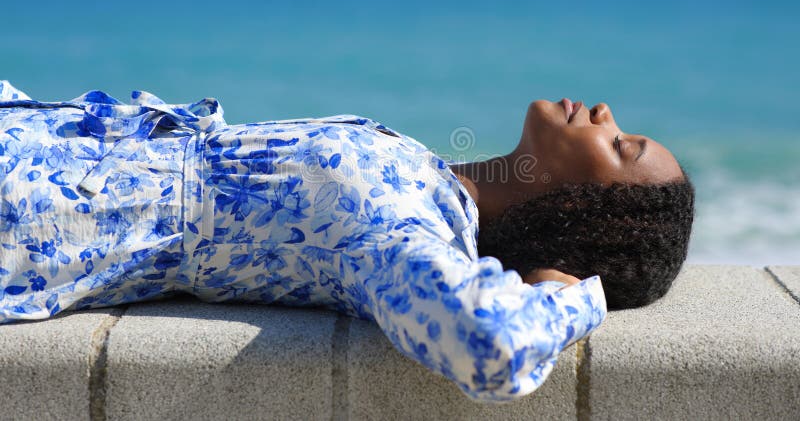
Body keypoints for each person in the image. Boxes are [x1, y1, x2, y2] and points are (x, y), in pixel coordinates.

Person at [0, 80, 694, 402]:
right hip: (37, 140)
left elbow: (488, 345)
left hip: (32, 212)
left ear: (586, 209)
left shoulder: (407, 232)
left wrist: (575, 292)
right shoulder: (425, 177)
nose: (605, 113)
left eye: (621, 143)